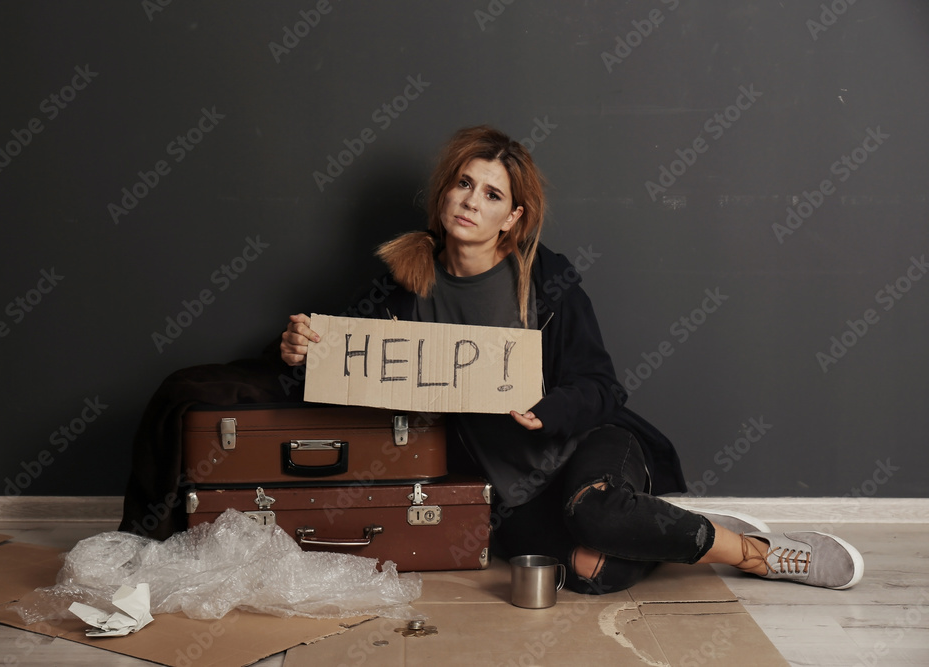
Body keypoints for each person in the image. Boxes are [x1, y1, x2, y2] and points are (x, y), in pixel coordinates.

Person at [280, 125, 864, 594]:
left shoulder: (546, 279)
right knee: (590, 573)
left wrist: (549, 408)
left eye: (491, 194)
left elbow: (602, 386)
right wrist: (297, 352)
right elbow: (336, 354)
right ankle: (673, 527)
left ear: (512, 217)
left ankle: (758, 555)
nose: (470, 201)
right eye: (463, 184)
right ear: (444, 193)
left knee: (597, 517)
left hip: (587, 444)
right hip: (512, 493)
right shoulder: (401, 283)